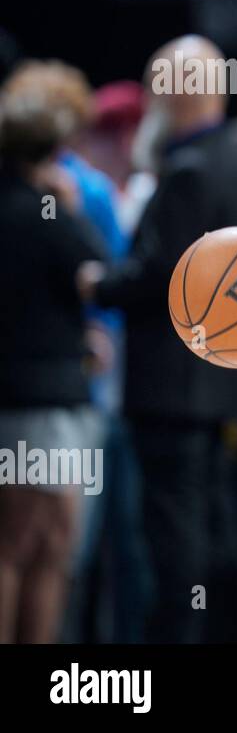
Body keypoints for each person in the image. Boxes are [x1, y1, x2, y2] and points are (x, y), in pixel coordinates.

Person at [78, 35, 237, 643]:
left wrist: (97, 284)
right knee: (211, 530)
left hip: (174, 392)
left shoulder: (187, 171)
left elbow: (161, 278)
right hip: (216, 386)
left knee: (177, 546)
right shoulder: (233, 163)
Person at [0, 75, 107, 643]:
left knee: (16, 548)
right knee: (42, 550)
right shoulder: (41, 213)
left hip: (21, 402)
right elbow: (101, 273)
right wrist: (65, 205)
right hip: (48, 405)